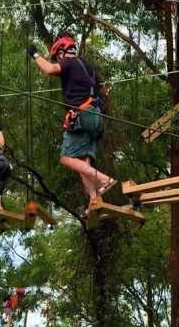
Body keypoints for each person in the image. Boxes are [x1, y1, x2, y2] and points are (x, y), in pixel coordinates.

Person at [29, 32, 117, 214]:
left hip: (83, 115)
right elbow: (104, 91)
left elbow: (50, 70)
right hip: (96, 116)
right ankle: (94, 200)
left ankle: (104, 179)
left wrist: (35, 55)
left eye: (57, 56)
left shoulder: (68, 61)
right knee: (83, 164)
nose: (58, 59)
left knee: (66, 158)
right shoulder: (87, 66)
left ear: (62, 51)